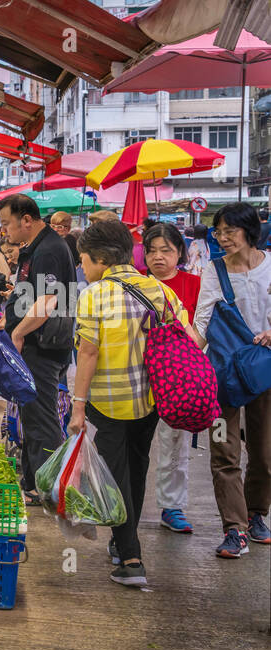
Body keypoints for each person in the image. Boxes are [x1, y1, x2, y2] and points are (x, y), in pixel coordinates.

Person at [69, 219, 187, 588]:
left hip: (106, 401)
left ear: (99, 259)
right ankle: (123, 546)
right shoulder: (159, 290)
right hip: (151, 400)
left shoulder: (94, 294)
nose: (83, 269)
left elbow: (88, 353)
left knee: (115, 477)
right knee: (135, 469)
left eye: (84, 261)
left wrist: (77, 406)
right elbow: (191, 339)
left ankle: (132, 559)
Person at [193, 201, 271, 559]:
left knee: (264, 453)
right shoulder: (214, 270)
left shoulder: (270, 266)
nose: (223, 238)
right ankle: (234, 529)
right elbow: (203, 321)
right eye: (218, 232)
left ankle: (257, 514)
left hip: (264, 373)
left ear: (249, 230)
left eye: (230, 231)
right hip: (223, 375)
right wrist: (184, 360)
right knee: (224, 453)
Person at [0, 193, 78, 502]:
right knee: (32, 415)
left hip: (43, 347)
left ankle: (48, 487)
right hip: (41, 345)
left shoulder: (48, 250)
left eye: (7, 224)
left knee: (42, 418)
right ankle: (31, 483)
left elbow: (49, 301)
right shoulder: (36, 247)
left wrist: (17, 333)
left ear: (27, 220)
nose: (4, 231)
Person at [140, 222, 202, 535]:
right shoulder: (135, 285)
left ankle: (172, 506)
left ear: (180, 252)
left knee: (175, 445)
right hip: (138, 377)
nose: (158, 257)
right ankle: (129, 506)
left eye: (166, 250)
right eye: (151, 251)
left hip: (178, 380)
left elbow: (202, 328)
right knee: (135, 446)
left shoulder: (195, 284)